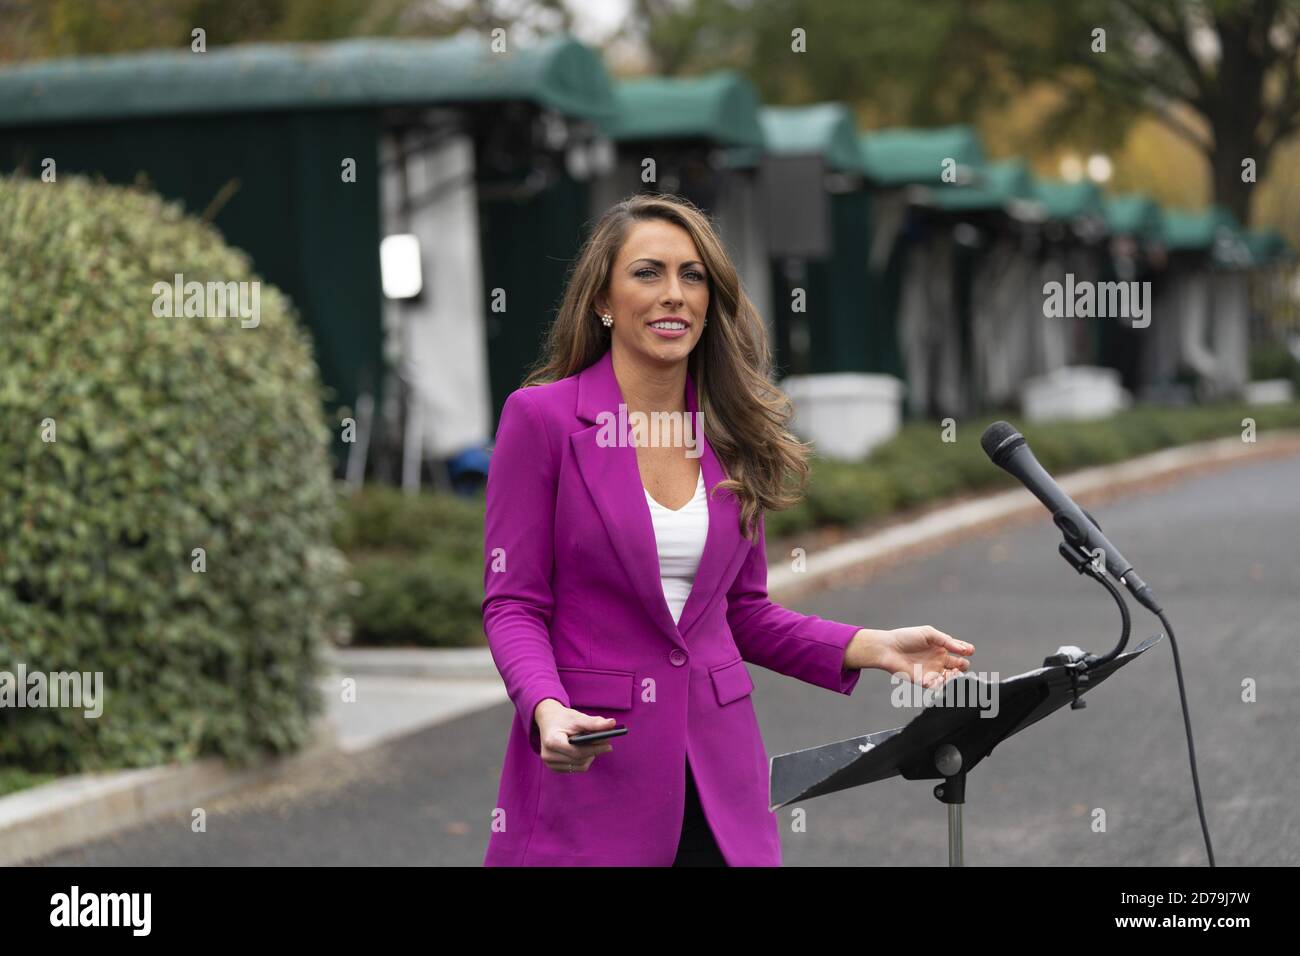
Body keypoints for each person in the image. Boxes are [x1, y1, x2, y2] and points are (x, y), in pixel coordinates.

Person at [481, 193, 974, 866]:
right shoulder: (540, 421)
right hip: (593, 761)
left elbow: (741, 614)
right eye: (647, 273)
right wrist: (544, 708)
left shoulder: (729, 437)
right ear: (602, 299)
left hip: (720, 778)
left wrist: (873, 645)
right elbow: (514, 603)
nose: (674, 294)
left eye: (693, 276)